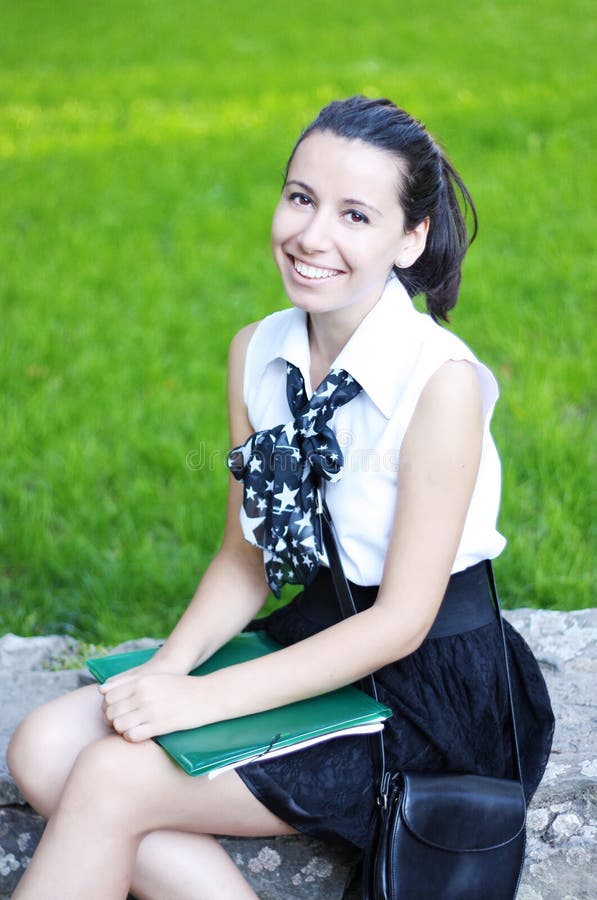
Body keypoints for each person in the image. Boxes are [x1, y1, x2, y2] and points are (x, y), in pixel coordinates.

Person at [8, 96, 554, 900]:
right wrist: (165, 673)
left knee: (109, 780)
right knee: (41, 749)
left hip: (428, 690)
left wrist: (197, 700)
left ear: (411, 238)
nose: (311, 236)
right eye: (300, 197)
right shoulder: (257, 353)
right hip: (319, 637)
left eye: (355, 215)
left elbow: (400, 623)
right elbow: (246, 557)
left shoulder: (436, 383)